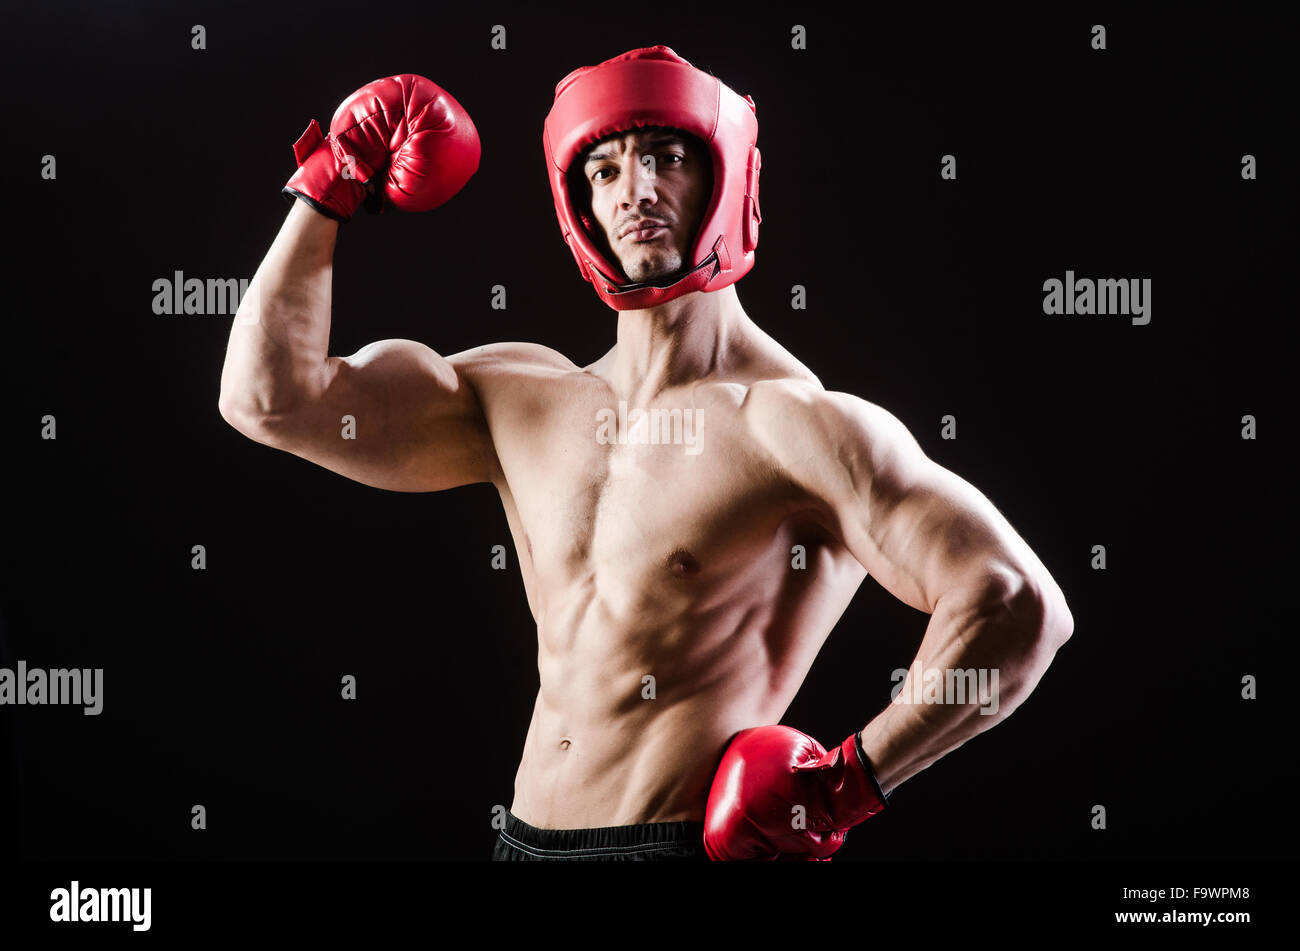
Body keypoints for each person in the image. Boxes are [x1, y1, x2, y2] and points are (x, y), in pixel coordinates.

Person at [218, 46, 1073, 861]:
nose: (636, 191)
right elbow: (269, 399)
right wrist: (329, 179)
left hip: (671, 844)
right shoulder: (518, 397)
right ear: (577, 206)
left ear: (728, 178)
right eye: (605, 169)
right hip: (517, 838)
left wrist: (846, 783)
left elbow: (1014, 602)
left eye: (667, 157)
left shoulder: (795, 423)